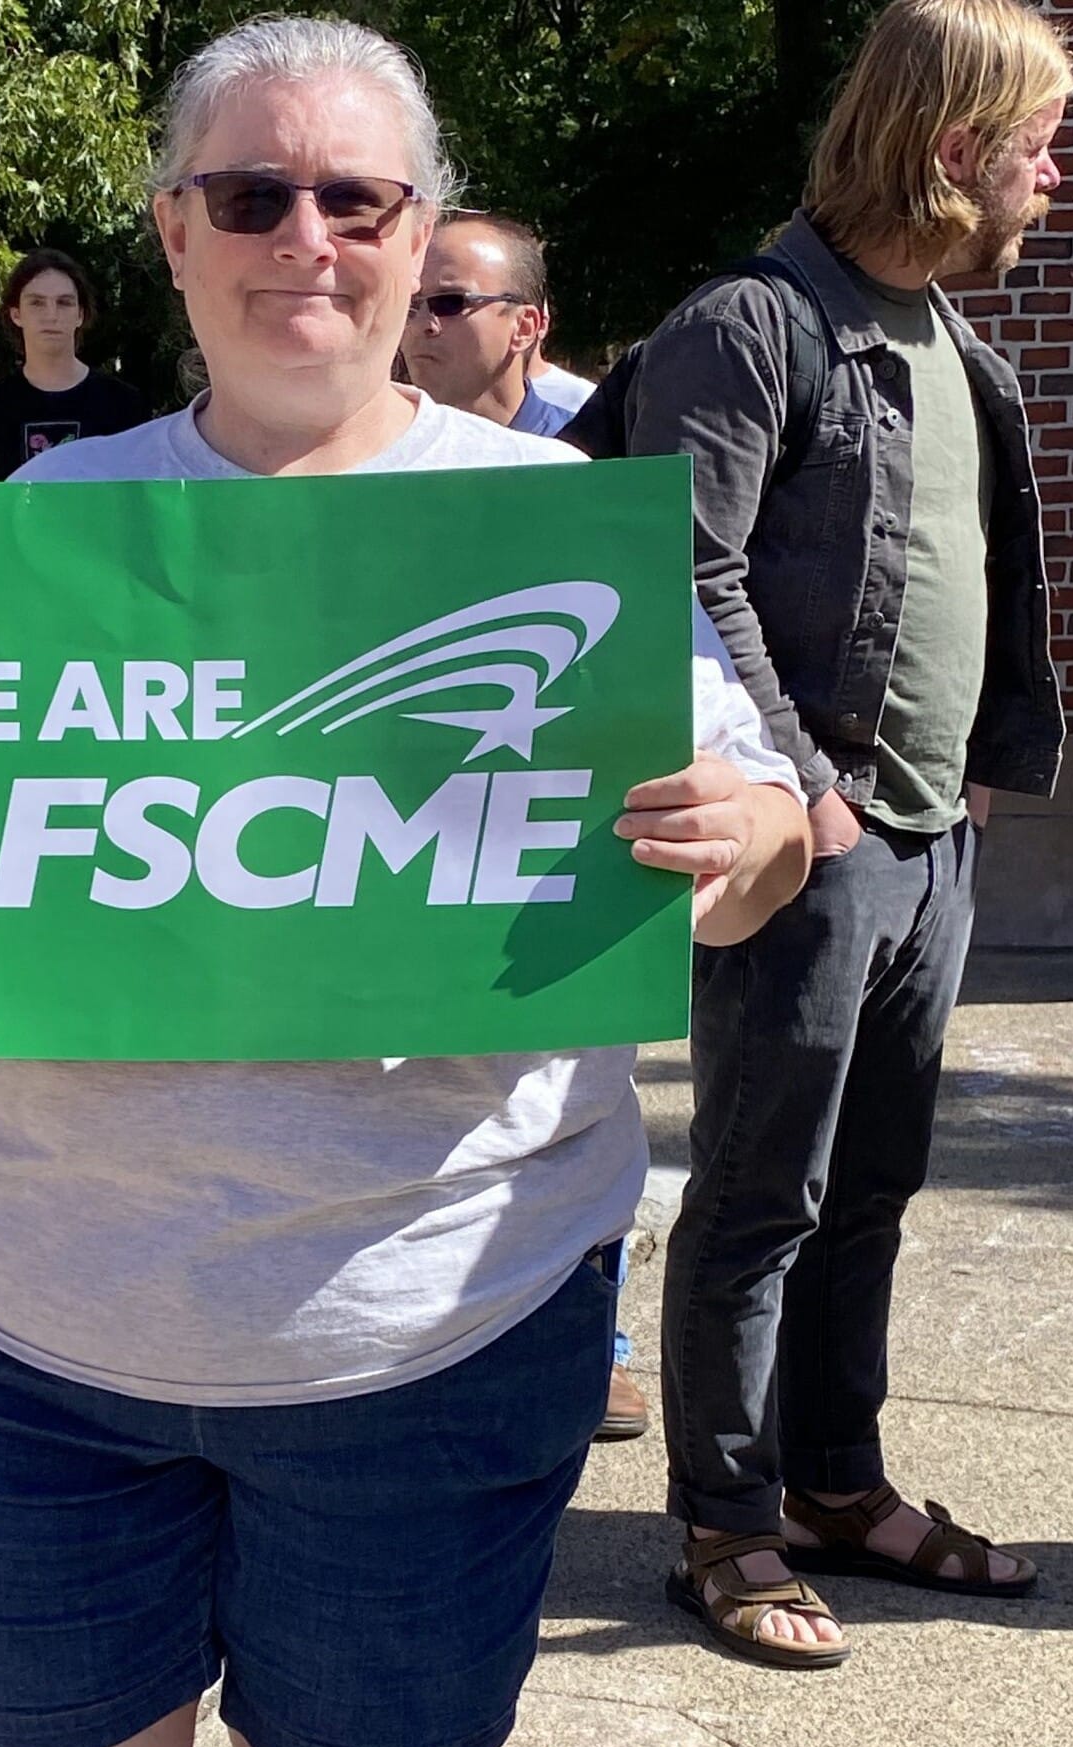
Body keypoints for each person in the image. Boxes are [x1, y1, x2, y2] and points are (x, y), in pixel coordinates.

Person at [0, 20, 809, 1747]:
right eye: (251, 193)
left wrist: (746, 845)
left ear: (419, 233)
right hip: (41, 1325)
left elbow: (765, 836)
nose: (302, 235)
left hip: (429, 1332)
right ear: (173, 229)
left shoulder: (548, 526)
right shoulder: (48, 528)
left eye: (353, 196)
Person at [627, 0, 1073, 1668]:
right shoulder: (754, 326)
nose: (1055, 169)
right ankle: (726, 1523)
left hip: (929, 845)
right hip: (806, 849)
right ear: (953, 148)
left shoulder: (957, 344)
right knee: (761, 1195)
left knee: (871, 1184)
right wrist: (797, 779)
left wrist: (961, 780)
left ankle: (832, 1483)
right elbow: (684, 565)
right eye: (1037, 138)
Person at [403, 209, 649, 1446]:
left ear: (526, 325)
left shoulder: (588, 460)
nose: (420, 328)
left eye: (449, 305)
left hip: (544, 832)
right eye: (414, 302)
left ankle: (593, 1328)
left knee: (565, 1086)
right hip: (408, 817)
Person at [0, 249, 149, 480]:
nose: (51, 315)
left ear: (80, 315)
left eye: (64, 303)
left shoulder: (123, 404)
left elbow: (139, 501)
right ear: (16, 314)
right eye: (37, 303)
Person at [399, 213, 574, 436]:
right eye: (410, 304)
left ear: (524, 328)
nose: (423, 324)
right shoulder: (374, 456)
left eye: (450, 302)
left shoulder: (586, 454)